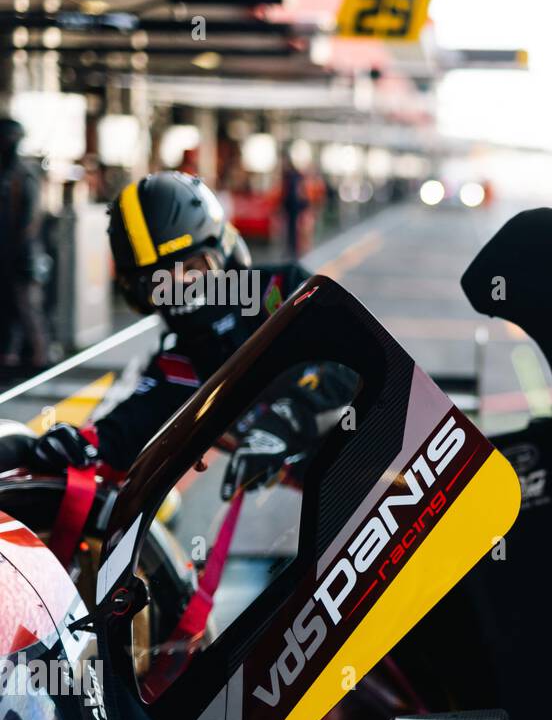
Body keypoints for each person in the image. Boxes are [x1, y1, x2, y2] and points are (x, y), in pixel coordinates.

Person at [24, 171, 347, 497]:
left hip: (386, 465)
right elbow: (127, 429)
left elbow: (350, 356)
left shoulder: (282, 290)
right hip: (330, 507)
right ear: (139, 294)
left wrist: (285, 420)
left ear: (222, 251)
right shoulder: (180, 364)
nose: (182, 287)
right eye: (160, 279)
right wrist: (76, 445)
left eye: (193, 268)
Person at [0, 116, 49, 370]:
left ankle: (38, 357)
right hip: (6, 252)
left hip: (23, 255)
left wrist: (20, 249)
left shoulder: (24, 174)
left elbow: (30, 219)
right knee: (7, 308)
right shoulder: (7, 172)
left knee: (27, 307)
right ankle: (10, 355)